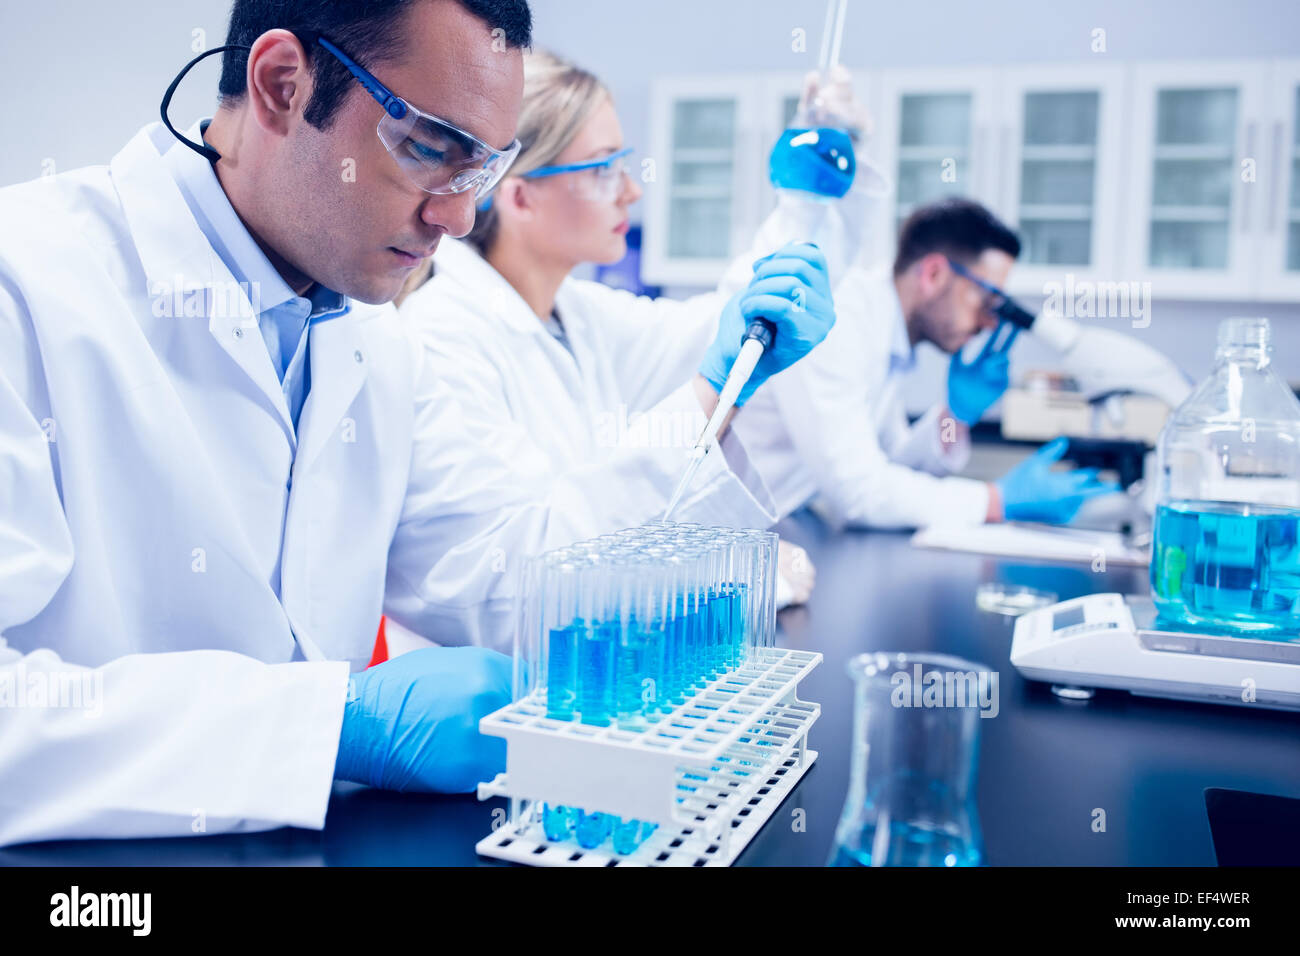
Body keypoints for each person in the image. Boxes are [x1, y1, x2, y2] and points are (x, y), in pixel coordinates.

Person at [0, 0, 836, 847]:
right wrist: (334, 727)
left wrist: (728, 386)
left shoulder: (370, 336)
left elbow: (497, 581)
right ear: (283, 85)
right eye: (432, 147)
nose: (462, 216)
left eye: (485, 165)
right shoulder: (25, 283)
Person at [397, 54, 882, 641]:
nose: (630, 191)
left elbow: (741, 310)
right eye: (603, 169)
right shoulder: (442, 337)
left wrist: (813, 192)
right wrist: (714, 390)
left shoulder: (580, 317)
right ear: (518, 197)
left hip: (586, 665)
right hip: (498, 696)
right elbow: (510, 587)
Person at [734, 198, 1120, 529]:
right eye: (986, 301)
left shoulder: (892, 341)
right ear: (934, 274)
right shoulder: (841, 319)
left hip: (784, 525)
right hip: (731, 536)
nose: (989, 323)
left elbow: (892, 467)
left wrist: (956, 419)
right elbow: (860, 493)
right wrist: (995, 501)